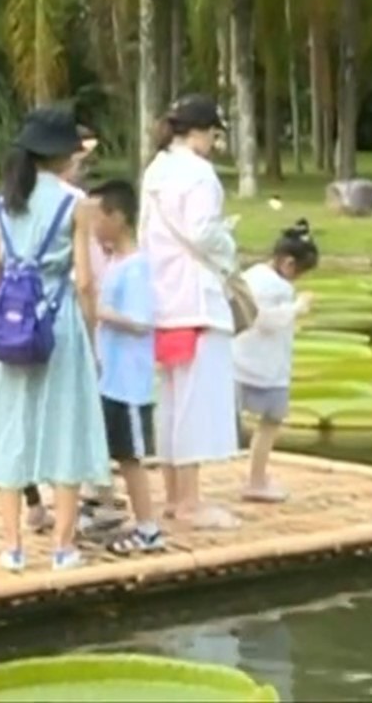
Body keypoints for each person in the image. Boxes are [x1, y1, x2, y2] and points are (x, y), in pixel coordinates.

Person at [0, 108, 111, 572]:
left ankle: (11, 546)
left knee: (12, 427)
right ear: (64, 156)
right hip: (60, 320)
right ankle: (63, 548)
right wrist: (92, 334)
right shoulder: (77, 204)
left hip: (12, 323)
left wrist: (3, 322)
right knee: (66, 427)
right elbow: (86, 281)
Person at [140, 93, 242, 529]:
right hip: (196, 299)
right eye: (214, 134)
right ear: (200, 132)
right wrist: (229, 246)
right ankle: (190, 502)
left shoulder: (157, 169)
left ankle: (173, 495)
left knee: (171, 401)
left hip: (162, 297)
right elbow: (202, 232)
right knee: (196, 403)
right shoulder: (199, 174)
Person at [87, 179, 165, 556]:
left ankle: (149, 529)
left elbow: (141, 321)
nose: (92, 225)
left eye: (97, 217)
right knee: (111, 451)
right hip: (109, 378)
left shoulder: (137, 266)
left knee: (131, 459)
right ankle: (102, 510)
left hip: (130, 382)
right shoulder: (115, 262)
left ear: (117, 217)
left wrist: (95, 311)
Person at [232, 220, 321, 503]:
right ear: (288, 263)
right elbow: (265, 320)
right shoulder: (278, 288)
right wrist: (298, 307)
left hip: (239, 359)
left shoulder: (253, 274)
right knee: (271, 421)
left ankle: (256, 476)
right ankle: (256, 480)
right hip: (264, 367)